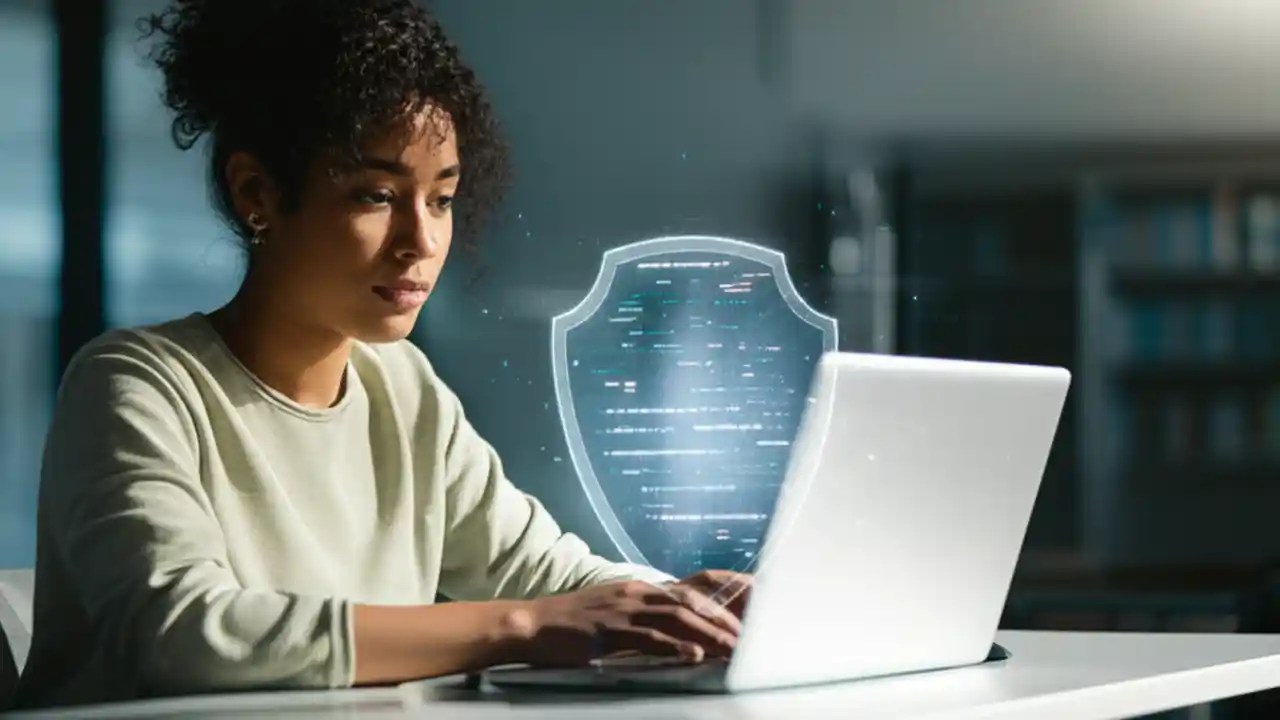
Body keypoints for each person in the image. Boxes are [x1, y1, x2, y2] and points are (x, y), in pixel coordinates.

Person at [13, 0, 748, 709]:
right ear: (256, 193)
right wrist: (519, 627)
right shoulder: (138, 386)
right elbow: (182, 633)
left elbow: (542, 573)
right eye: (375, 195)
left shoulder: (402, 388)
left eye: (441, 199)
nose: (420, 243)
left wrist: (687, 603)